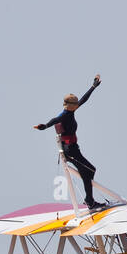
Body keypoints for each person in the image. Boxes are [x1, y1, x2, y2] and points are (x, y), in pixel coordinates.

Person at [34, 74, 104, 208]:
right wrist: (44, 126)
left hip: (74, 148)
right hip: (69, 150)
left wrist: (93, 87)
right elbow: (55, 120)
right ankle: (90, 201)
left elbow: (84, 99)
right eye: (75, 104)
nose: (77, 105)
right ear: (70, 106)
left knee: (89, 171)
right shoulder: (65, 115)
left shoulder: (72, 111)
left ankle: (89, 200)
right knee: (89, 170)